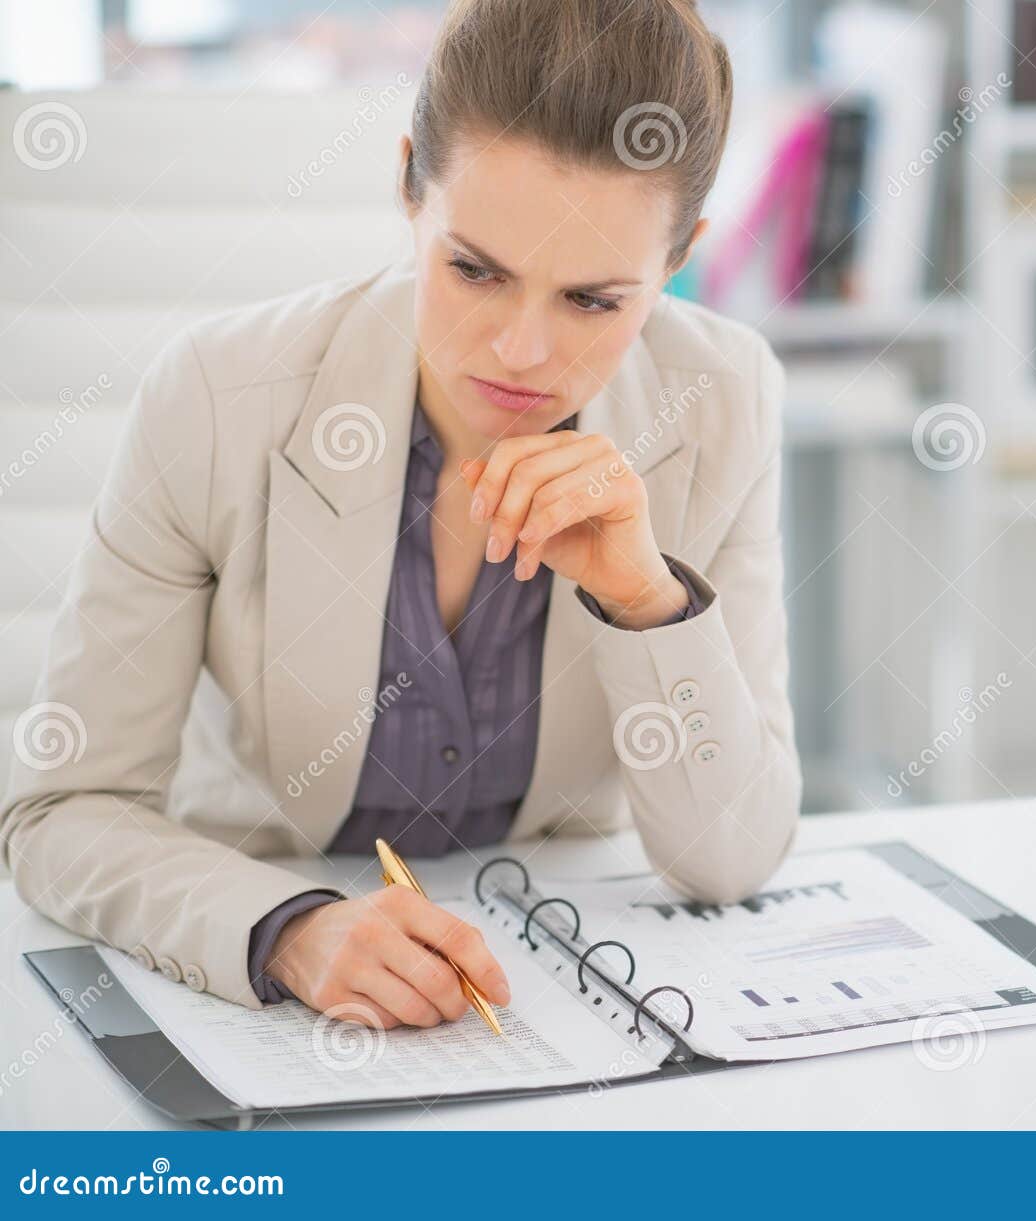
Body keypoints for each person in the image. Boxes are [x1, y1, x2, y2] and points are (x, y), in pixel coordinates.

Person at [0, 0, 800, 1030]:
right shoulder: (216, 394)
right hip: (267, 1003)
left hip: (566, 1000)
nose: (520, 351)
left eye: (593, 301)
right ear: (408, 182)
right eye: (475, 270)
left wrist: (648, 601)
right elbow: (63, 811)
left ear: (681, 253)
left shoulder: (723, 397)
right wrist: (286, 929)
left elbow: (728, 861)